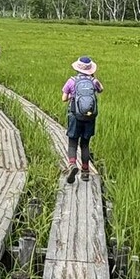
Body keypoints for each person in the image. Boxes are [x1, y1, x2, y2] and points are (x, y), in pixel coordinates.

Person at [61, 55, 103, 183]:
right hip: (89, 117)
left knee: (73, 142)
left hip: (75, 116)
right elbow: (101, 89)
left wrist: (72, 96)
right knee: (85, 144)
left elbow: (63, 98)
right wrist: (94, 79)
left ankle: (72, 164)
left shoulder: (72, 81)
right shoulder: (93, 82)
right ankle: (85, 172)